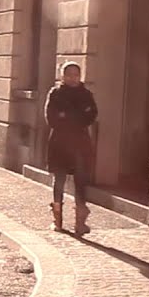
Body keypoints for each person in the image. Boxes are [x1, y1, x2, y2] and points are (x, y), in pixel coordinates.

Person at [44, 61, 98, 234]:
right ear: (63, 76)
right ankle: (57, 218)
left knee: (80, 179)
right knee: (59, 179)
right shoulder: (56, 94)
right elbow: (51, 117)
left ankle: (80, 222)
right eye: (69, 75)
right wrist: (71, 119)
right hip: (60, 141)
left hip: (80, 142)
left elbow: (91, 114)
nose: (73, 78)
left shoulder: (86, 94)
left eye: (76, 74)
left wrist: (68, 117)